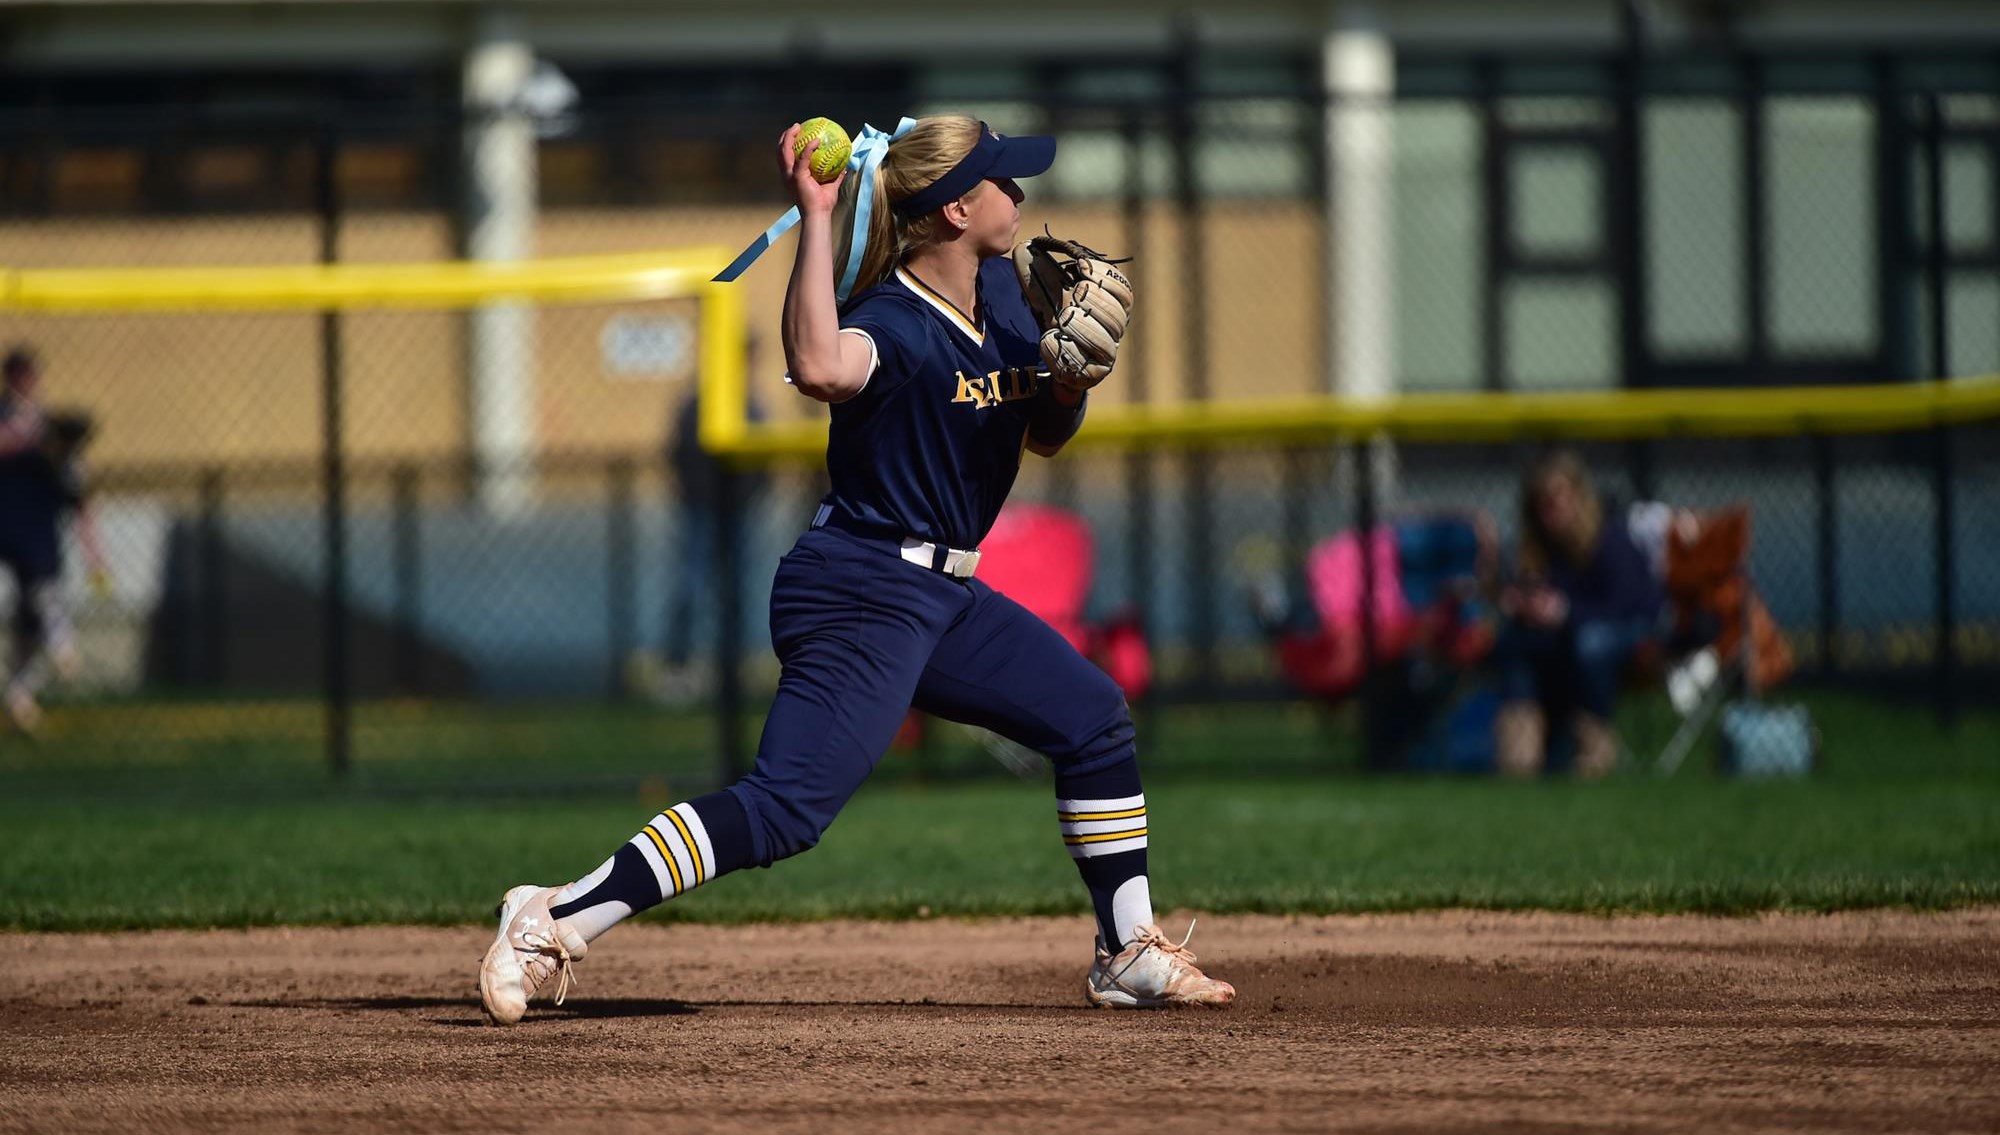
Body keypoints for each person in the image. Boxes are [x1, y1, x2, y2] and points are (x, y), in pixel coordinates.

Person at [477, 116, 1232, 1023]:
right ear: (956, 208)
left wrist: (1068, 384)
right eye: (1004, 181)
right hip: (861, 588)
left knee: (1092, 719)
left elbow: (1041, 433)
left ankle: (1126, 952)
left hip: (941, 594)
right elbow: (820, 363)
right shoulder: (894, 322)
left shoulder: (1003, 292)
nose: (1021, 197)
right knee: (787, 808)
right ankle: (554, 919)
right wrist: (817, 213)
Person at [1493, 449, 1661, 777]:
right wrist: (1521, 606)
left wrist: (1564, 612)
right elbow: (1531, 600)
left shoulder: (1610, 540)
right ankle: (1520, 749)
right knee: (1515, 645)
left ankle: (1594, 741)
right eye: (1541, 504)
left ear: (1579, 497)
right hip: (1567, 637)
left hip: (1629, 631)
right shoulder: (1536, 549)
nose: (1549, 512)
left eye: (1557, 500)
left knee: (1590, 642)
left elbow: (1624, 607)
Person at [0, 346, 108, 735]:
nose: (27, 382)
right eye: (20, 374)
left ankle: (21, 696)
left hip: (35, 529)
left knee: (36, 607)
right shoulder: (11, 419)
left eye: (32, 375)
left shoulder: (50, 426)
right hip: (5, 520)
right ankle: (59, 644)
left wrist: (96, 557)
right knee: (37, 602)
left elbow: (78, 494)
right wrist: (28, 438)